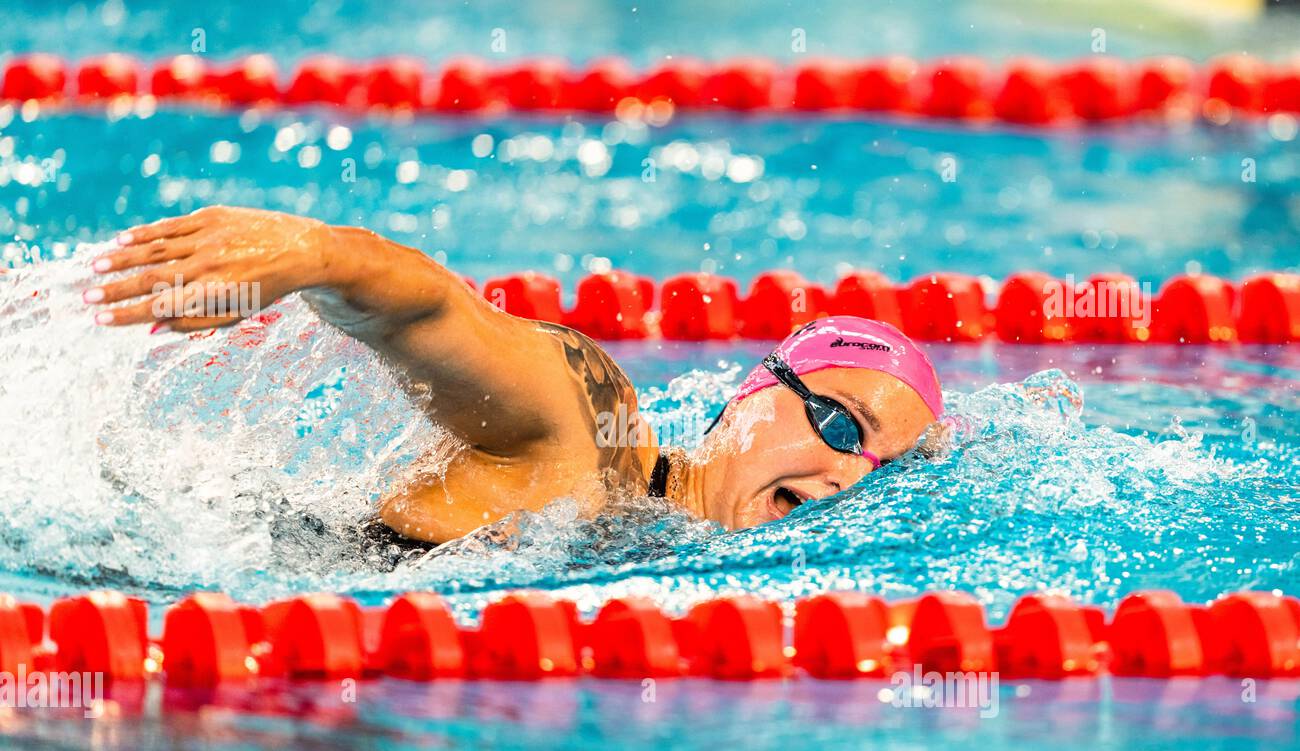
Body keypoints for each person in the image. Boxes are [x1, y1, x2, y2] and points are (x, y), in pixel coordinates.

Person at [85, 205, 944, 545]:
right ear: (747, 402)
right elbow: (431, 311)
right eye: (841, 425)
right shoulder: (593, 433)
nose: (844, 476)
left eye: (880, 471)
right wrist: (317, 254)